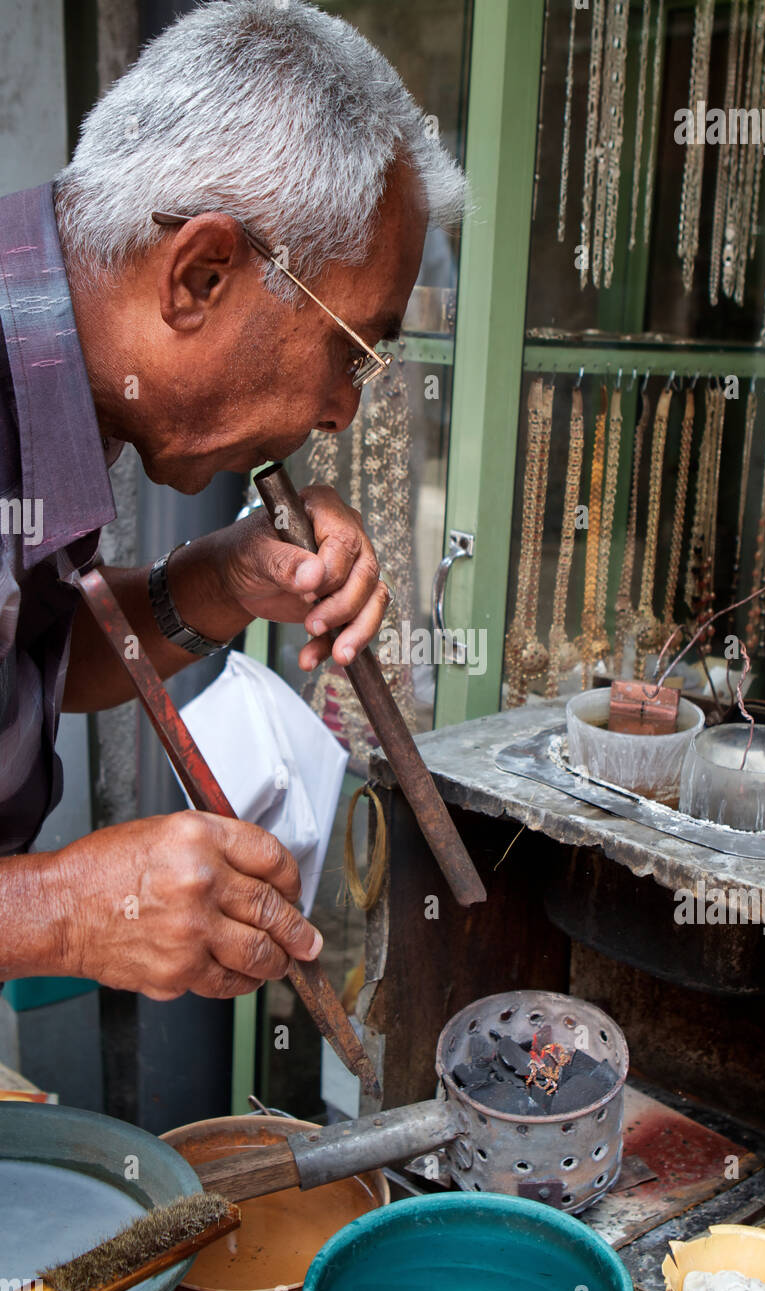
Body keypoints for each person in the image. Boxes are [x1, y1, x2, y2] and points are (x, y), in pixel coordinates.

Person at [0, 0, 465, 1002]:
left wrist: (221, 580)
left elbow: (28, 663)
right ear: (200, 275)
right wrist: (63, 912)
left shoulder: (53, 392)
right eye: (350, 349)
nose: (343, 410)